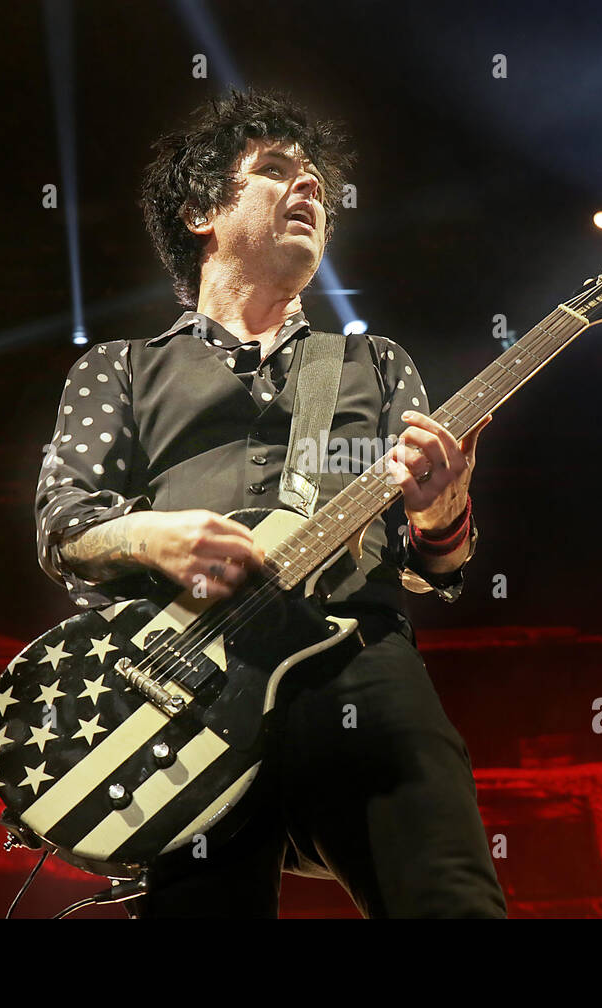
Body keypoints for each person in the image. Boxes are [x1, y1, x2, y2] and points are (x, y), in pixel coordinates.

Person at [34, 88, 504, 918]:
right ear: (198, 212)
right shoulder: (120, 369)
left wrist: (443, 510)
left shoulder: (378, 364)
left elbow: (441, 570)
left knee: (450, 902)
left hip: (360, 670)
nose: (310, 188)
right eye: (277, 171)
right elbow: (65, 525)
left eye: (317, 180)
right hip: (188, 697)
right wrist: (152, 535)